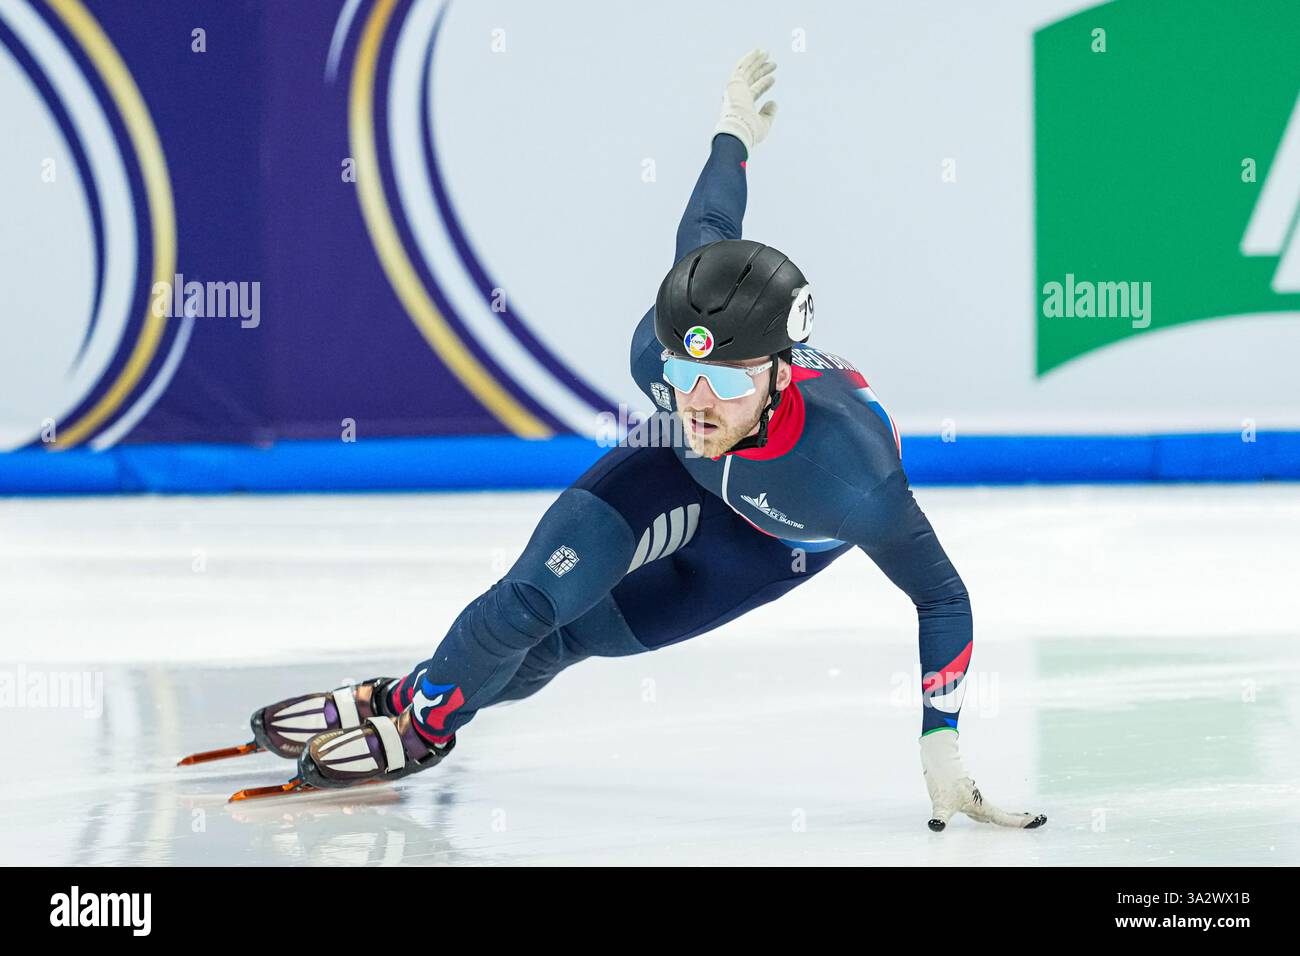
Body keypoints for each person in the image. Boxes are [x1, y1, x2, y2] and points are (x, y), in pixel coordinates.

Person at [249, 50, 1044, 832]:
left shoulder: (854, 475)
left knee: (571, 640)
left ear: (774, 373)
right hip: (676, 471)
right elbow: (709, 222)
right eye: (683, 372)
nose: (697, 399)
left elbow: (942, 596)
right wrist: (732, 131)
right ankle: (421, 718)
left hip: (777, 542)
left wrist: (941, 738)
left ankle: (426, 692)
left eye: (728, 384)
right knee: (534, 598)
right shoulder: (671, 359)